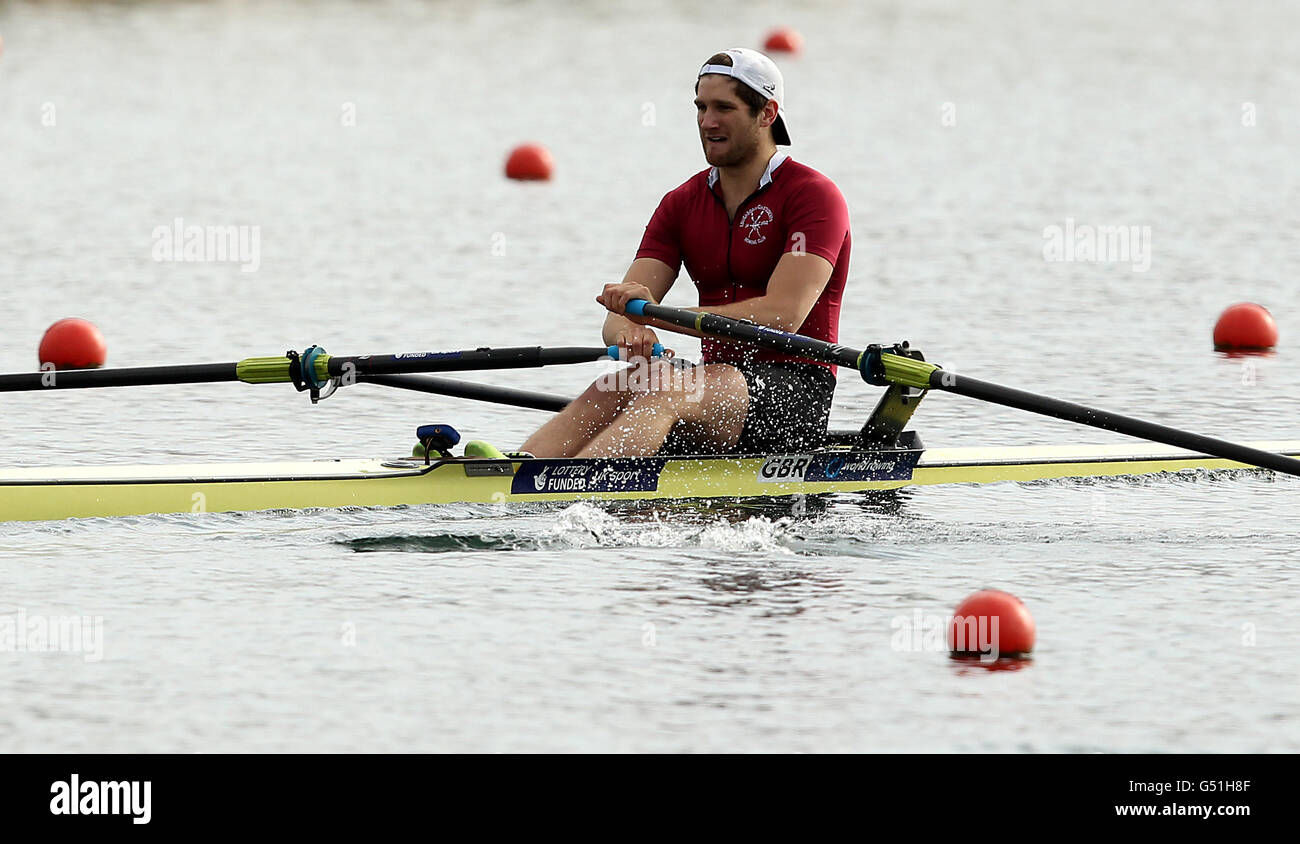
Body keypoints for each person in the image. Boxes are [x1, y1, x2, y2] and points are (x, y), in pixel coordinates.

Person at [520, 47, 851, 459]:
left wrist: (664, 320)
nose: (708, 122)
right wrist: (632, 333)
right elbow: (624, 309)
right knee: (614, 384)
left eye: (724, 108)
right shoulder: (681, 203)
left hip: (794, 393)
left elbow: (783, 314)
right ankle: (513, 479)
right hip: (710, 386)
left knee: (667, 385)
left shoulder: (813, 197)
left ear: (767, 113)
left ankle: (583, 496)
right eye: (701, 107)